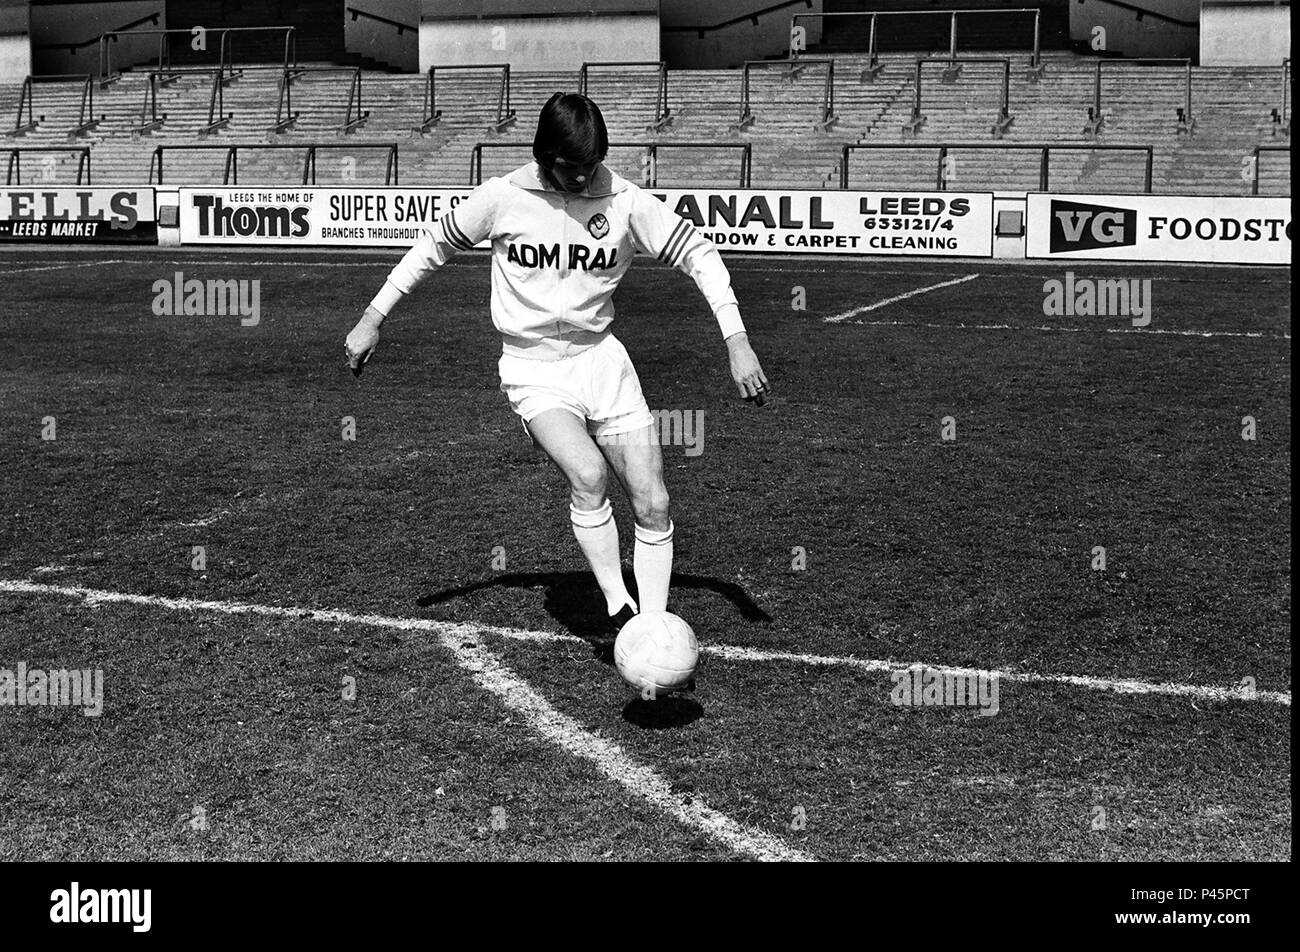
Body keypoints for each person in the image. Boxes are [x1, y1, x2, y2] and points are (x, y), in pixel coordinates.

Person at [345, 92, 771, 637]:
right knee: (589, 474)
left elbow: (700, 255)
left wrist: (737, 341)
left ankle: (654, 625)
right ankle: (620, 605)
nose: (581, 179)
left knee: (654, 501)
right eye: (570, 167)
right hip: (535, 369)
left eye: (591, 166)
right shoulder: (502, 197)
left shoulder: (624, 201)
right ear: (546, 155)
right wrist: (372, 316)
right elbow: (431, 248)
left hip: (603, 363)